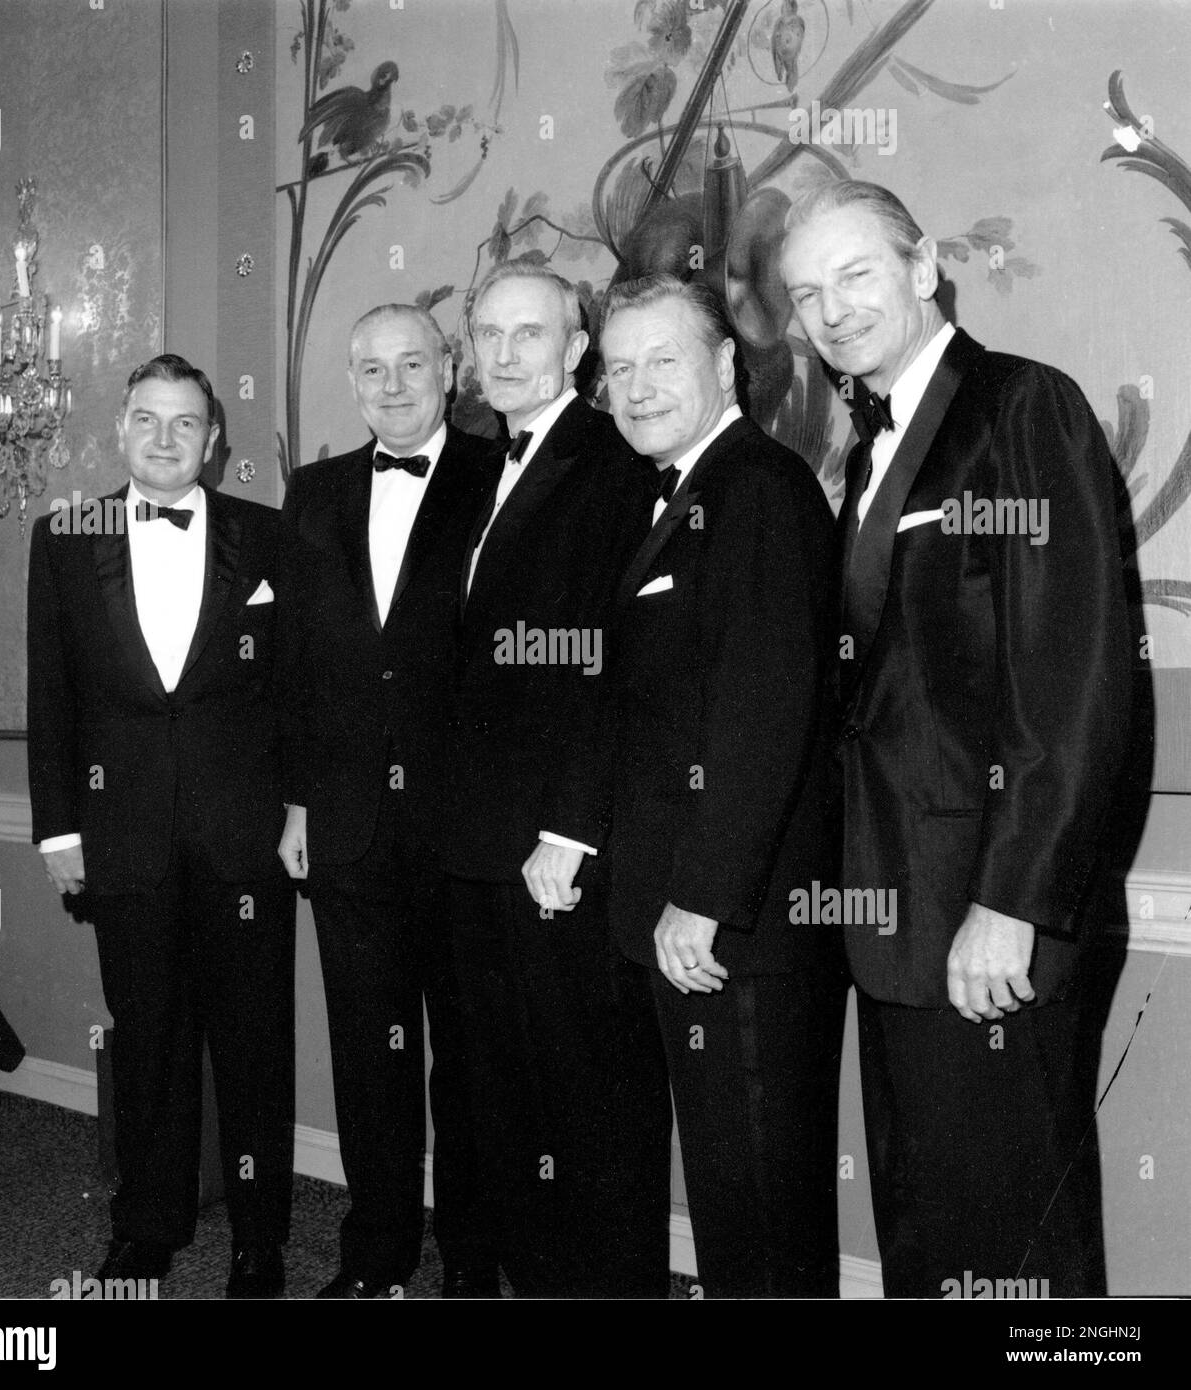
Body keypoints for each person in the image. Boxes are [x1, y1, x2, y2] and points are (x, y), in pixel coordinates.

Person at [779, 179, 1131, 1297]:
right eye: (805, 294)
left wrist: (1011, 902)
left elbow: (1069, 674)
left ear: (924, 267)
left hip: (989, 916)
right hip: (893, 914)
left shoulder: (1020, 407)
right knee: (928, 1231)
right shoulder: (867, 451)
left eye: (854, 275)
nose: (830, 311)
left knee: (1019, 1248)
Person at [590, 273, 847, 1298]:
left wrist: (700, 897)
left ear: (725, 365)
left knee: (759, 1215)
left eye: (663, 360)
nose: (638, 387)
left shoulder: (759, 489)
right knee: (735, 1201)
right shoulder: (681, 490)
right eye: (619, 369)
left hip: (736, 927)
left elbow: (763, 711)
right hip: (695, 916)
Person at [27, 354, 295, 1298]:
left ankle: (259, 1244)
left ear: (214, 440)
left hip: (246, 837)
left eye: (187, 422)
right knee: (146, 1040)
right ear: (121, 428)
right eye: (148, 418)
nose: (166, 438)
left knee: (255, 1046)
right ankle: (147, 1227)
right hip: (123, 837)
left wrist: (299, 807)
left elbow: (300, 689)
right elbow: (51, 695)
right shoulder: (63, 538)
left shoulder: (269, 535)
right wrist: (59, 833)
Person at [445, 259, 671, 1298]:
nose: (501, 353)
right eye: (486, 334)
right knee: (506, 1094)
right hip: (480, 842)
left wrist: (569, 831)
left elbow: (611, 663)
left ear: (576, 350)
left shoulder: (613, 462)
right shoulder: (479, 468)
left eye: (527, 333)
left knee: (591, 1097)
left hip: (557, 849)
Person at [276, 305, 500, 1298]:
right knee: (369, 1055)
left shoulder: (498, 474)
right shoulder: (314, 491)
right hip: (346, 823)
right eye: (373, 369)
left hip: (465, 828)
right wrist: (295, 805)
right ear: (352, 382)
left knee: (472, 1058)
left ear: (449, 369)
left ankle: (472, 1259)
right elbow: (296, 664)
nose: (394, 385)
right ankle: (375, 1254)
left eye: (413, 364)